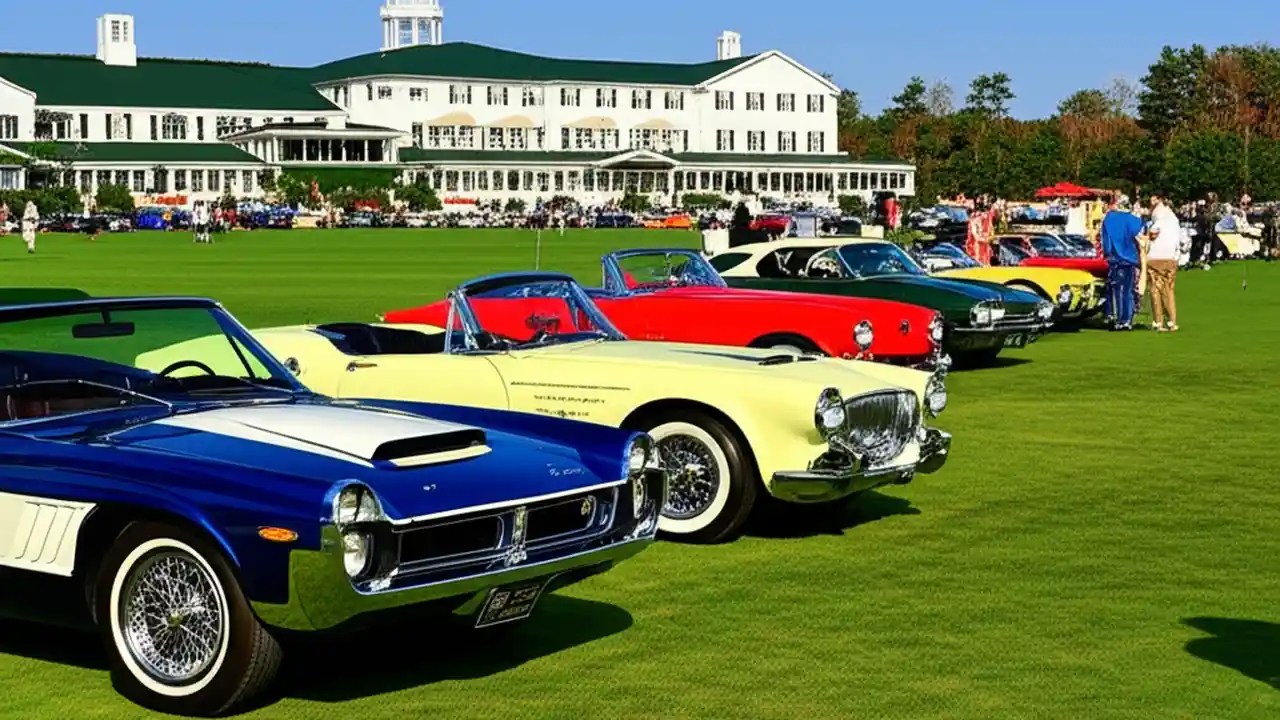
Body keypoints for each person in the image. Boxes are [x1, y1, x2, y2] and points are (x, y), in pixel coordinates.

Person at [1100, 195, 1143, 330]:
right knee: (1128, 290)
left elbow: (1106, 241)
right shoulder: (1133, 220)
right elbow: (1140, 231)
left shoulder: (1109, 219)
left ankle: (1118, 318)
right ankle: (1127, 319)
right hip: (1129, 257)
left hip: (1114, 257)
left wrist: (1107, 254)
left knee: (1116, 289)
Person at [1145, 193, 1180, 331]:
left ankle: (1158, 321)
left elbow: (1153, 232)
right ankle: (1171, 320)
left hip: (1156, 257)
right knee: (1169, 289)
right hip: (1170, 257)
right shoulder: (1174, 220)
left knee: (1155, 289)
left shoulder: (1159, 218)